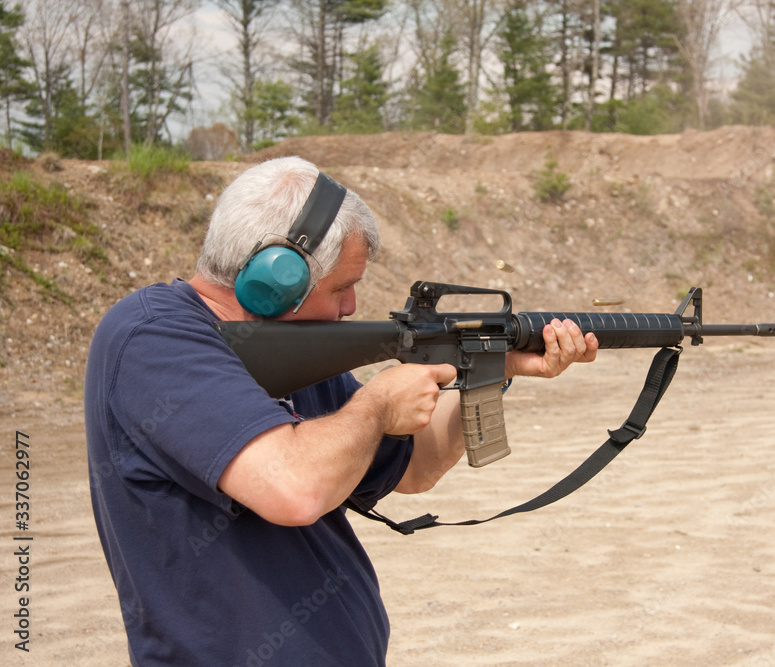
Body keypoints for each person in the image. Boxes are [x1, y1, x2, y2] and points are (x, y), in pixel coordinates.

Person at [85, 156, 598, 666]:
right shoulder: (152, 338)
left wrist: (498, 366)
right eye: (340, 287)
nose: (350, 307)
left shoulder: (289, 351)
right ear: (274, 280)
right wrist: (376, 404)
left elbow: (414, 467)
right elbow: (295, 489)